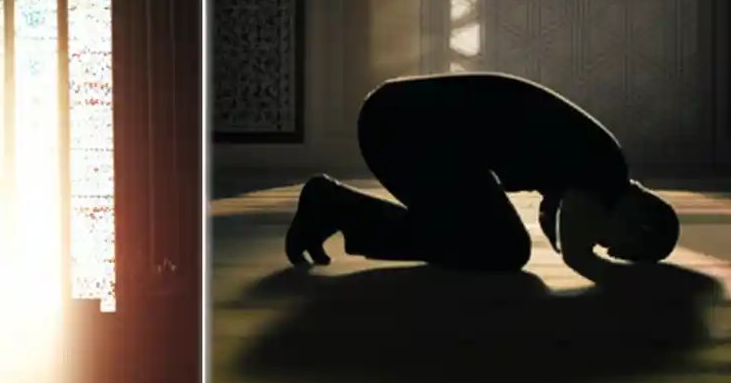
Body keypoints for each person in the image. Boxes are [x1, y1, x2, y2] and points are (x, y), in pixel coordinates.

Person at [285, 73, 680, 280]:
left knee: (488, 236)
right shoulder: (605, 171)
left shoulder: (595, 162)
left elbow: (559, 223)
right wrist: (634, 296)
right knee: (502, 247)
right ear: (638, 222)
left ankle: (340, 208)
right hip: (407, 126)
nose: (604, 244)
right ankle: (337, 206)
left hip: (400, 119)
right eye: (618, 247)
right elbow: (577, 255)